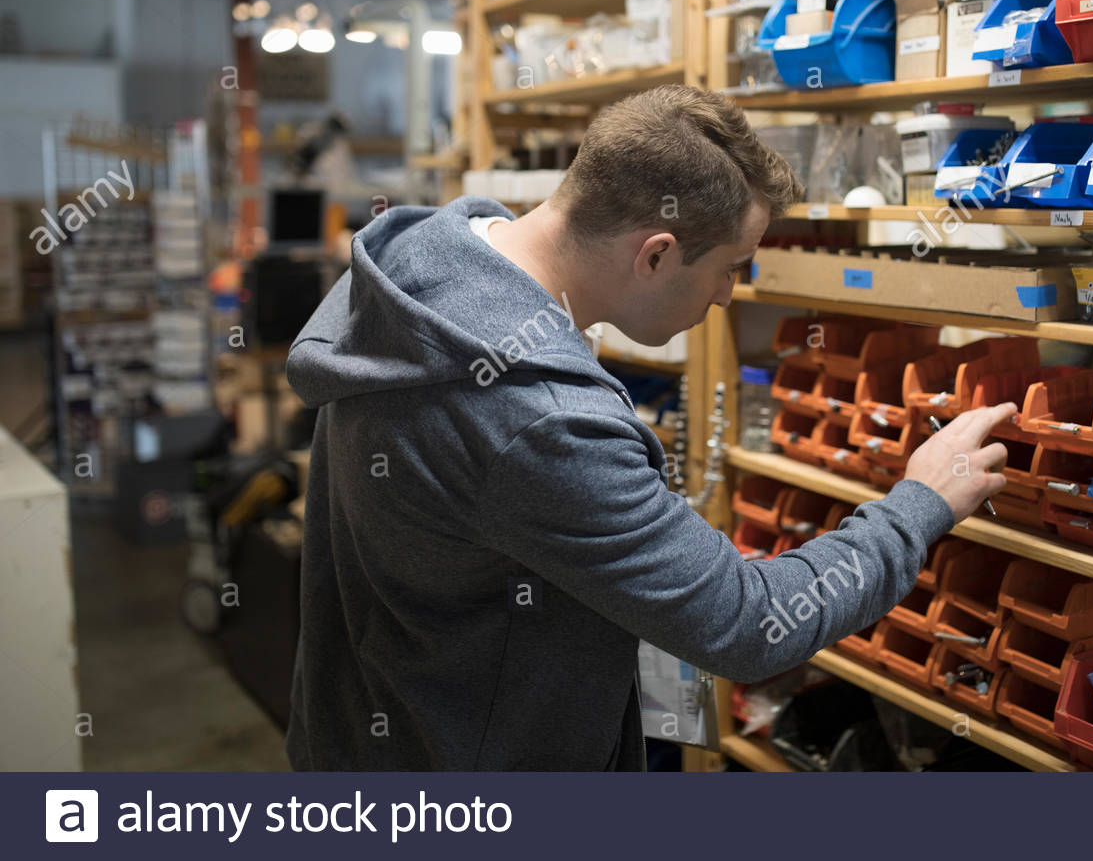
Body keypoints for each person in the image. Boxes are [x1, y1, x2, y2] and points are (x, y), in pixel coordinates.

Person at [285, 85, 1011, 771]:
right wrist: (921, 504)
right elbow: (752, 624)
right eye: (731, 267)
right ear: (656, 253)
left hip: (356, 739)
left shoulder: (422, 266)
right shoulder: (542, 422)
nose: (731, 294)